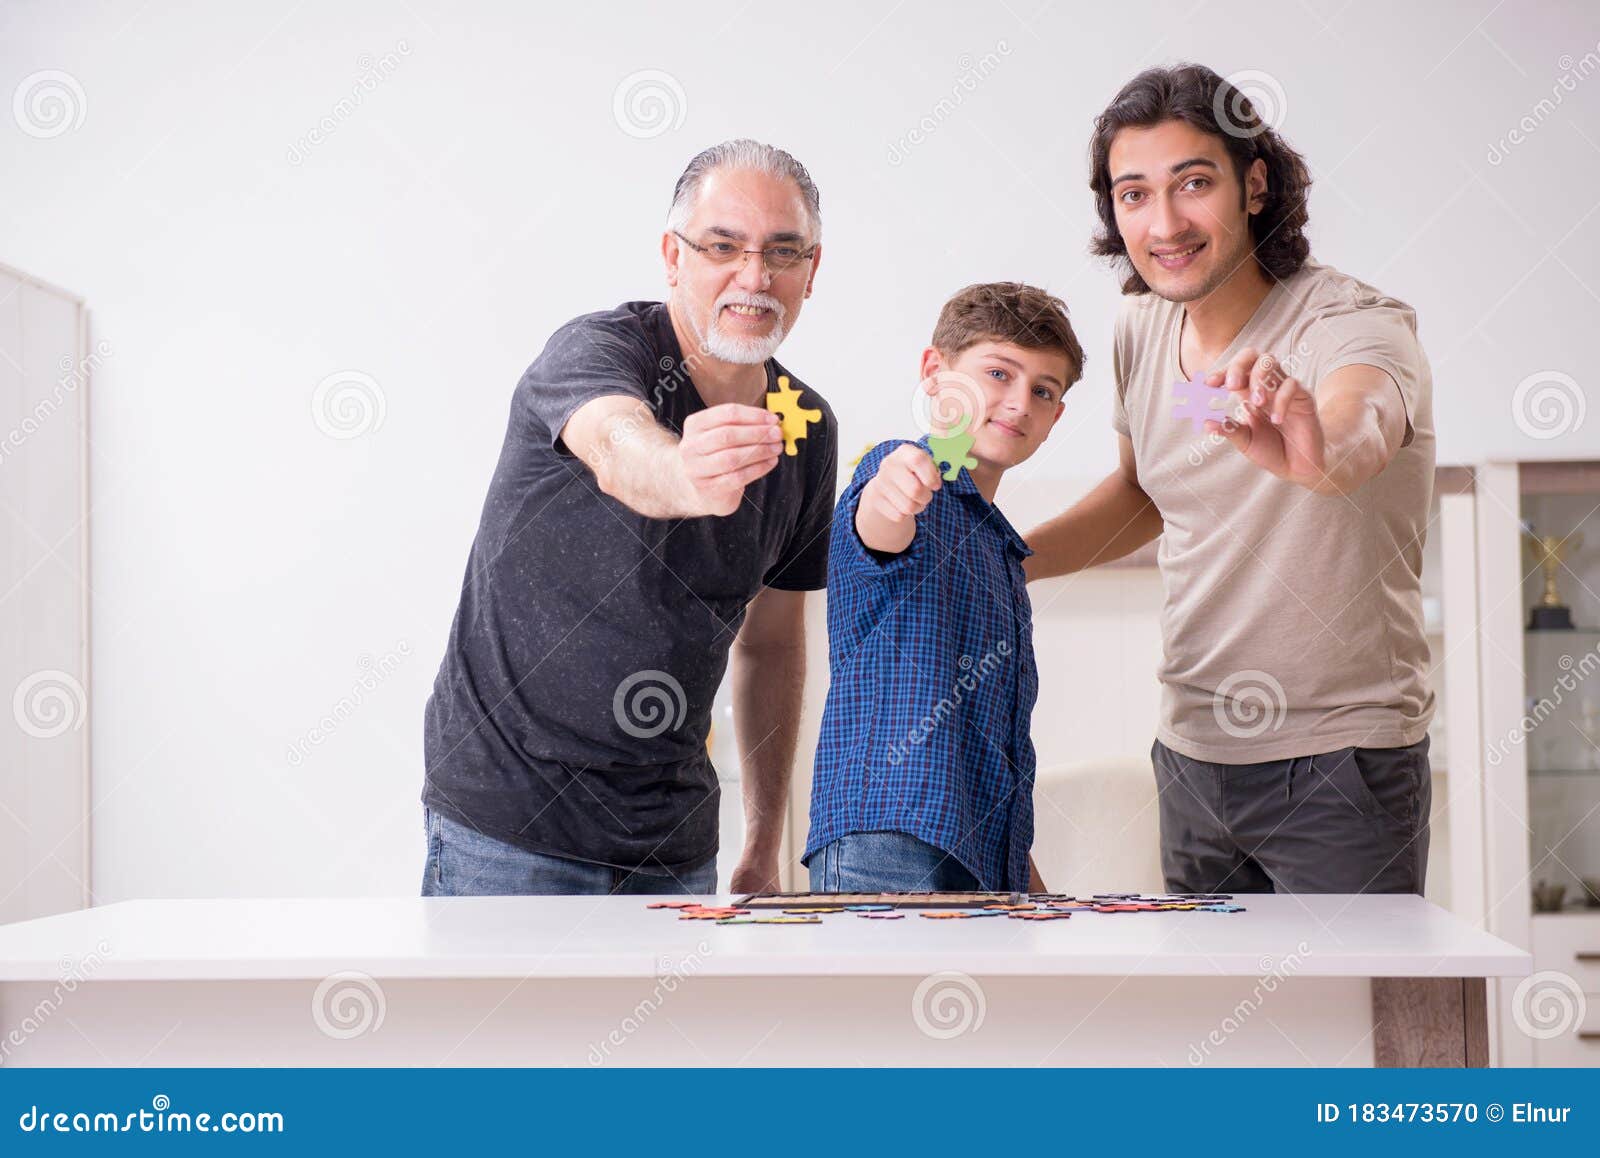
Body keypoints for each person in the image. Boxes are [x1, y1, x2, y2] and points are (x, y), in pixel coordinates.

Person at [1025, 65, 1436, 895]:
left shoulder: (1349, 322)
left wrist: (1317, 454)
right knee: (1220, 1026)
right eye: (1133, 194)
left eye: (1194, 183)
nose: (1165, 222)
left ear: (1253, 185)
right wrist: (1001, 558)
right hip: (1192, 758)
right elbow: (1143, 496)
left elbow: (1359, 427)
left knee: (1347, 1023)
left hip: (1341, 766)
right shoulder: (1142, 327)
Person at [421, 140, 837, 897]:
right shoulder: (599, 351)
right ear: (673, 257)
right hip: (509, 826)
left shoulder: (804, 424)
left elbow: (772, 647)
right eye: (723, 246)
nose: (755, 276)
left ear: (813, 270)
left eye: (783, 251)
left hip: (671, 845)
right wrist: (685, 471)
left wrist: (765, 841)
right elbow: (619, 447)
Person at [805, 282, 1084, 893]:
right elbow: (880, 526)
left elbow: (991, 753)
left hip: (978, 855)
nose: (1018, 403)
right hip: (886, 843)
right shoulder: (900, 472)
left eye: (1043, 390)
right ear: (935, 373)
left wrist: (1027, 886)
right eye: (997, 374)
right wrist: (892, 488)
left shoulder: (1003, 550)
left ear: (1055, 417)